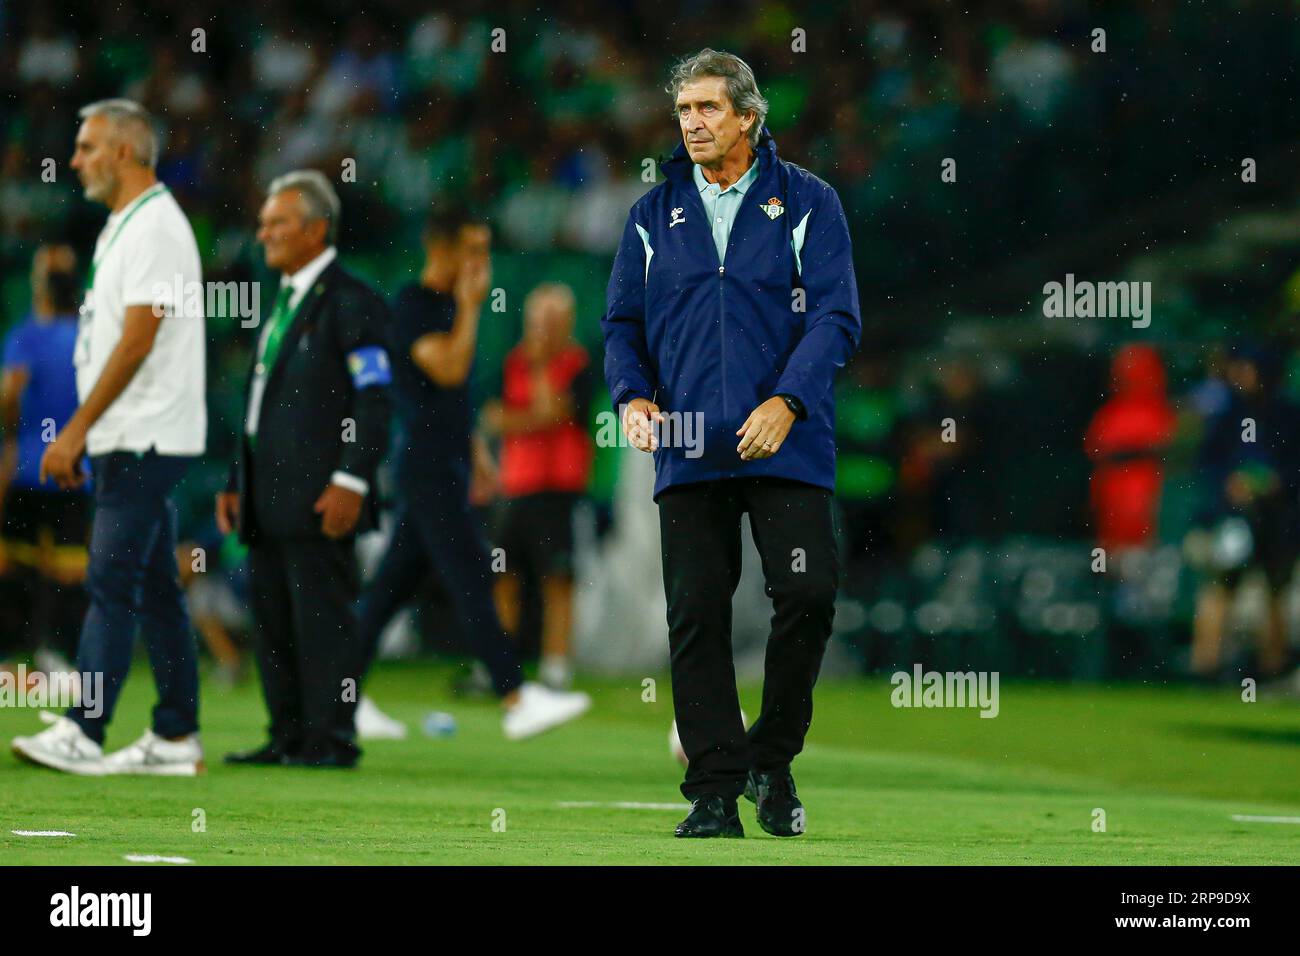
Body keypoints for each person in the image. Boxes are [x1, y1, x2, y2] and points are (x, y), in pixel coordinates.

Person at [601, 50, 860, 838]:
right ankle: (714, 791)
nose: (693, 124)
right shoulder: (652, 216)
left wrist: (787, 400)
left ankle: (769, 759)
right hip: (687, 447)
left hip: (788, 441)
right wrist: (633, 395)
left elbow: (835, 318)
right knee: (697, 616)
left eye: (709, 108)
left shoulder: (810, 202)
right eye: (684, 111)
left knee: (809, 597)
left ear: (749, 116)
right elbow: (621, 327)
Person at [10, 99, 207, 775]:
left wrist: (76, 429)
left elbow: (139, 338)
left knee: (109, 578)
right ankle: (176, 735)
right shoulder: (129, 224)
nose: (75, 160)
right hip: (136, 432)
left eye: (88, 147)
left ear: (125, 152)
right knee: (152, 587)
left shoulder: (153, 227)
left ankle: (85, 729)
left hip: (144, 433)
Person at [353, 209, 591, 740]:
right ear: (441, 250)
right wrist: (470, 306)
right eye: (473, 250)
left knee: (392, 585)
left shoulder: (448, 307)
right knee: (469, 573)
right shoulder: (414, 305)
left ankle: (337, 695)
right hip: (424, 465)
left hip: (449, 461)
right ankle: (513, 694)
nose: (481, 263)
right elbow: (450, 369)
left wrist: (479, 456)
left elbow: (451, 400)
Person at [217, 170, 390, 768]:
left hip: (322, 495)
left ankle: (330, 740)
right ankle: (287, 735)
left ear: (316, 229)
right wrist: (235, 480)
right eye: (263, 221)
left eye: (277, 222)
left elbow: (374, 400)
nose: (262, 232)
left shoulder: (352, 301)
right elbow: (259, 404)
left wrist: (351, 479)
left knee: (322, 622)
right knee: (272, 619)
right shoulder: (282, 301)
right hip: (267, 495)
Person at [481, 282, 594, 690]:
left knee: (557, 578)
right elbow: (493, 418)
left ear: (567, 322)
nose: (541, 329)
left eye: (550, 320)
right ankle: (500, 665)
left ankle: (556, 667)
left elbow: (555, 412)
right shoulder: (512, 361)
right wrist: (530, 417)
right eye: (536, 320)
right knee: (503, 573)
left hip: (557, 488)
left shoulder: (578, 365)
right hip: (514, 486)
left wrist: (540, 376)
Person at [0, 246, 90, 678]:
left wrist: (14, 433)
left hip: (29, 465)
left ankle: (18, 652)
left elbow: (9, 392)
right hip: (76, 466)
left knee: (19, 560)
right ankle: (58, 653)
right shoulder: (86, 335)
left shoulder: (26, 336)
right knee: (70, 567)